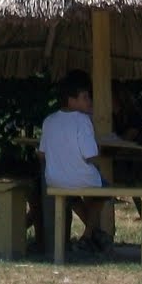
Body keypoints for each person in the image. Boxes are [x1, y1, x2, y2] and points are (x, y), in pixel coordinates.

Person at [38, 70, 111, 254]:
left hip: (55, 180)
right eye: (85, 97)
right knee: (104, 191)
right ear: (71, 100)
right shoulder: (83, 120)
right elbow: (90, 155)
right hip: (83, 179)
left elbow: (42, 155)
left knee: (72, 196)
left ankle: (94, 234)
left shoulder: (48, 121)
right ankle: (88, 235)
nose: (89, 101)